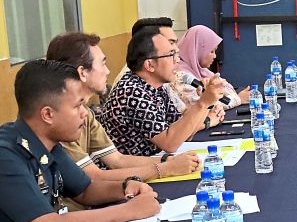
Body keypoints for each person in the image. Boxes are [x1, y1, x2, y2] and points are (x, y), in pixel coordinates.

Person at [0, 60, 161, 222]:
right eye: (77, 106)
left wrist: (125, 187)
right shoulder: (6, 155)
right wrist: (130, 210)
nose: (85, 114)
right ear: (47, 114)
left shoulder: (48, 143)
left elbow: (85, 190)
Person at [44, 32, 199, 198]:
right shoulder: (60, 119)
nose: (108, 71)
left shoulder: (85, 112)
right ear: (82, 72)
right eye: (102, 64)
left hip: (111, 189)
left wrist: (168, 161)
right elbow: (93, 178)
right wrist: (165, 168)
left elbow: (117, 159)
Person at [100, 27, 226, 157]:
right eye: (171, 55)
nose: (177, 60)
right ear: (149, 65)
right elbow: (170, 144)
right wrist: (203, 103)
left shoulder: (157, 87)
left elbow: (183, 133)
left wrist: (207, 102)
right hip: (130, 173)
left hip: (152, 165)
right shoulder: (132, 91)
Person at [168, 25, 247, 111]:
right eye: (211, 51)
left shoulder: (203, 72)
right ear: (197, 50)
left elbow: (228, 88)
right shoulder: (179, 76)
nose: (215, 56)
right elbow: (204, 105)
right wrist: (238, 99)